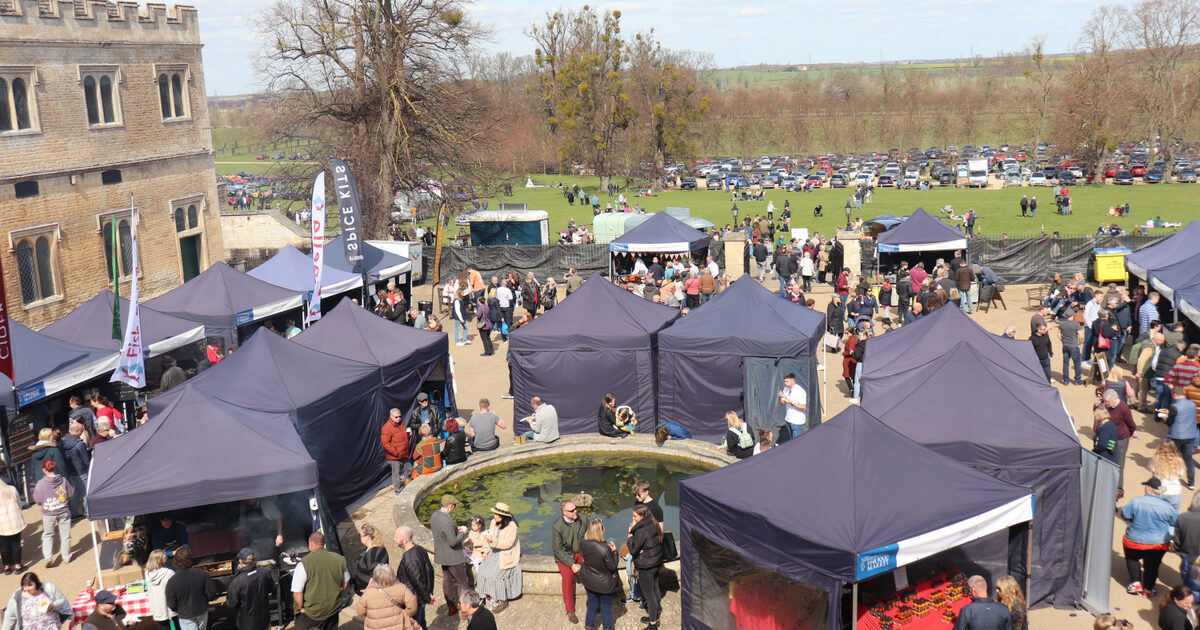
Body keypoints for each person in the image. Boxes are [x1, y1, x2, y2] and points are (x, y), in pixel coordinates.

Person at [1122, 477, 1177, 598]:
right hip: (1157, 544)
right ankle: (1148, 589)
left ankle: (1136, 582)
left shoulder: (1136, 501)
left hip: (1134, 541)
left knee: (1132, 558)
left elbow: (1124, 514)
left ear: (1148, 488)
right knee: (1153, 565)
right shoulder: (1167, 507)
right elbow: (1174, 522)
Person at [291, 533, 348, 630]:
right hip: (333, 609)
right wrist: (337, 594)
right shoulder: (339, 559)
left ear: (311, 544)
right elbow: (346, 581)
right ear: (323, 543)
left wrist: (301, 609)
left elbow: (297, 593)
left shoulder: (303, 564)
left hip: (313, 614)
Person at [477, 503, 522, 614]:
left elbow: (508, 543)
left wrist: (494, 542)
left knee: (495, 574)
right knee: (482, 571)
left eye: (497, 514)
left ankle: (502, 599)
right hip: (494, 552)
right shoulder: (493, 522)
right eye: (495, 514)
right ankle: (484, 595)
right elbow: (490, 538)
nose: (494, 516)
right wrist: (485, 551)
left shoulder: (512, 526)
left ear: (503, 516)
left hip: (506, 555)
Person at [430, 495, 469, 617]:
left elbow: (443, 533)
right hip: (453, 557)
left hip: (442, 555)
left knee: (447, 581)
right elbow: (453, 542)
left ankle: (451, 606)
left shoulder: (434, 516)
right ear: (451, 506)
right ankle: (464, 608)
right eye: (454, 507)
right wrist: (462, 533)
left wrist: (454, 530)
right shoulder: (447, 521)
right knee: (463, 582)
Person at [627, 504, 664, 629]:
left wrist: (630, 536)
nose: (633, 518)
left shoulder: (641, 531)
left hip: (646, 565)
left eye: (635, 516)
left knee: (649, 595)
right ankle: (656, 612)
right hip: (656, 562)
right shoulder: (653, 523)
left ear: (642, 516)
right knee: (655, 588)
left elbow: (632, 549)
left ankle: (653, 623)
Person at [579, 518, 620, 630]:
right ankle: (607, 628)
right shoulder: (604, 549)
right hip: (604, 584)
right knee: (606, 607)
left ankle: (589, 625)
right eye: (603, 528)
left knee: (592, 604)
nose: (605, 530)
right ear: (600, 531)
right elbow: (612, 567)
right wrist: (615, 552)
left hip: (589, 580)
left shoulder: (582, 542)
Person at [165, 547, 217, 630]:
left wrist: (179, 609)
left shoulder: (172, 581)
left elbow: (171, 603)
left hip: (185, 614)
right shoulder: (202, 574)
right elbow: (212, 592)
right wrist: (205, 601)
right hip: (201, 610)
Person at [355, 564, 420, 630]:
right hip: (397, 626)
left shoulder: (368, 593)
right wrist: (404, 614)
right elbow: (412, 606)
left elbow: (360, 611)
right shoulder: (401, 588)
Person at [551, 501, 586, 624]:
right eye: (572, 510)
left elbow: (589, 536)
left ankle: (594, 600)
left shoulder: (582, 520)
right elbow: (557, 549)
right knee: (567, 578)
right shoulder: (557, 526)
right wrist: (571, 564)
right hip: (565, 556)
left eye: (575, 509)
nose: (575, 511)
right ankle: (570, 610)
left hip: (580, 553)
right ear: (564, 512)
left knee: (593, 568)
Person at [394, 526, 434, 630]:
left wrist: (427, 598)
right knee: (422, 622)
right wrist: (429, 593)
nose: (394, 539)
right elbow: (429, 571)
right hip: (421, 597)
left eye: (396, 537)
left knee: (416, 624)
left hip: (414, 599)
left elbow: (418, 582)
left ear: (405, 540)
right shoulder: (420, 549)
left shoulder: (409, 559)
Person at [32, 460, 72, 565]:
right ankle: (66, 556)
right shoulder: (63, 480)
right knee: (65, 535)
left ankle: (48, 556)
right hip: (63, 509)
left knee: (48, 535)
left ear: (44, 469)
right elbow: (70, 493)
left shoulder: (41, 483)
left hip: (48, 512)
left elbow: (37, 499)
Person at [226, 548, 273, 630]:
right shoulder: (264, 572)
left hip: (247, 622)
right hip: (264, 618)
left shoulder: (237, 581)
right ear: (254, 559)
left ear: (240, 561)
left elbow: (232, 603)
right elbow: (270, 589)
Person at [3, 572, 69, 630]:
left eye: (30, 585)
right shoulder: (16, 599)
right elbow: (10, 617)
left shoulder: (48, 589)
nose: (27, 588)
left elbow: (62, 600)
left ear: (36, 584)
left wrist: (53, 606)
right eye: (25, 586)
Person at [1105, 389, 1138, 497]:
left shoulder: (1123, 408)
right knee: (1110, 457)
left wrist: (1133, 432)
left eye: (1108, 401)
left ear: (1114, 399)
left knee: (1119, 463)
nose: (1106, 404)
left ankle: (1118, 489)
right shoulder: (1110, 407)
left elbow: (1131, 423)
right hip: (1112, 438)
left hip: (1121, 439)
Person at [1164, 386, 1199, 490]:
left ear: (1174, 394)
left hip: (1176, 436)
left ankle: (1168, 477)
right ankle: (1191, 482)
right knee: (1188, 459)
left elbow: (1169, 422)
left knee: (1170, 456)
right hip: (1190, 435)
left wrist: (1164, 417)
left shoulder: (1174, 406)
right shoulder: (1192, 404)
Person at [352, 525, 389, 596]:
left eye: (360, 535)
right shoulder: (369, 549)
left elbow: (376, 574)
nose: (359, 537)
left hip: (370, 592)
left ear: (368, 537)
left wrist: (368, 589)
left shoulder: (374, 553)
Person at [0, 468, 24, 575]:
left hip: (1, 524)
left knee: (4, 546)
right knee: (15, 544)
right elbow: (19, 504)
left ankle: (6, 567)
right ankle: (18, 565)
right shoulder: (12, 489)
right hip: (14, 521)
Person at [145, 550, 176, 630]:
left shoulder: (147, 574)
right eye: (164, 558)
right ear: (159, 560)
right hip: (171, 604)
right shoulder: (169, 573)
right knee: (178, 625)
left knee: (163, 627)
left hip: (157, 606)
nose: (166, 559)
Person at [381, 408, 410, 494]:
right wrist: (396, 452)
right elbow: (385, 443)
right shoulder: (386, 428)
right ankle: (397, 491)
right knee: (396, 474)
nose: (398, 419)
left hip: (404, 454)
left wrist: (408, 435)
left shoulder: (401, 424)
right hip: (394, 457)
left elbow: (401, 437)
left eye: (400, 416)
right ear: (391, 416)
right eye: (396, 417)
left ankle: (407, 485)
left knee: (409, 469)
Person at [777, 372, 807, 440]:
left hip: (797, 422)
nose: (785, 383)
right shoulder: (785, 388)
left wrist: (792, 402)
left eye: (787, 381)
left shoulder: (800, 391)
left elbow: (804, 407)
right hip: (788, 419)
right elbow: (782, 403)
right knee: (791, 442)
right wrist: (781, 397)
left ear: (793, 381)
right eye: (784, 381)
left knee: (796, 443)